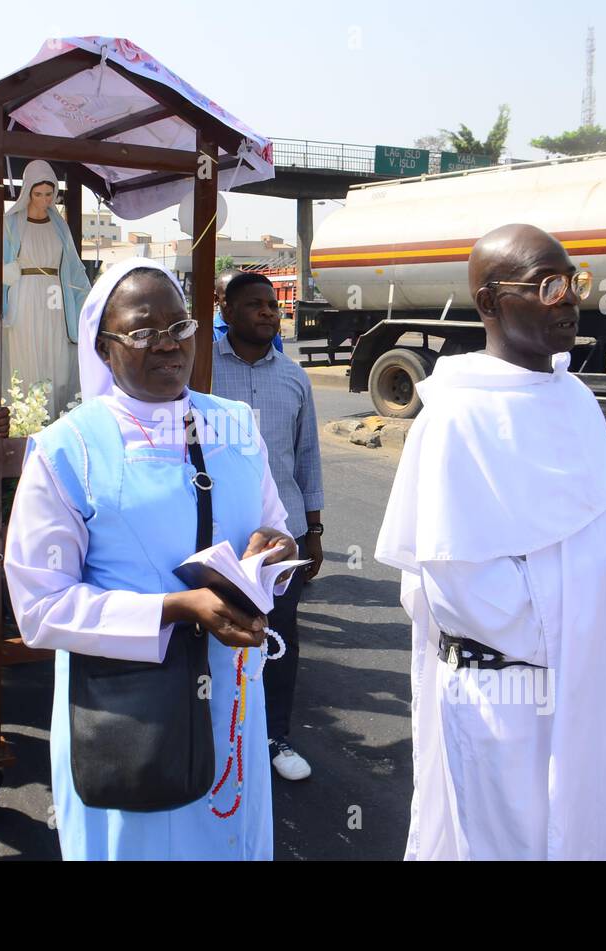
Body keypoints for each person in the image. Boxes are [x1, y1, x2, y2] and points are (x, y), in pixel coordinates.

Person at [374, 224, 606, 861]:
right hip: (506, 699)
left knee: (591, 835)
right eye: (547, 286)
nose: (570, 299)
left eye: (573, 282)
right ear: (490, 302)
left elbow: (596, 559)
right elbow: (463, 589)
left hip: (585, 683)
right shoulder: (455, 417)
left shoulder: (577, 398)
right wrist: (584, 658)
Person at [3, 258, 297, 861]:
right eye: (143, 332)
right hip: (131, 710)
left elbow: (274, 531)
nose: (168, 345)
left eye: (180, 327)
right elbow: (41, 607)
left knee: (228, 839)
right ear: (103, 348)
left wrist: (276, 552)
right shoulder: (68, 449)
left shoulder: (235, 425)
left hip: (232, 695)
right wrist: (174, 609)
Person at [212, 272, 322, 781]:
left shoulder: (295, 378)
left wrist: (314, 531)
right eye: (254, 304)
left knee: (279, 636)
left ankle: (274, 736)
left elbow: (307, 457)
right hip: (222, 535)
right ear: (226, 310)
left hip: (284, 538)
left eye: (272, 306)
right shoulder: (201, 371)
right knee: (218, 632)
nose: (267, 313)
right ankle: (218, 734)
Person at [1, 160, 91, 418]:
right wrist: (7, 272)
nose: (44, 199)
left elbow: (73, 266)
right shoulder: (10, 223)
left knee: (58, 355)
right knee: (26, 354)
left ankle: (56, 416)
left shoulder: (59, 225)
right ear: (28, 191)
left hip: (56, 295)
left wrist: (86, 299)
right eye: (38, 193)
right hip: (24, 293)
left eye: (49, 194)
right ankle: (27, 418)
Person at [213, 268, 283, 353]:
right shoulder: (207, 334)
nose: (267, 312)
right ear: (216, 299)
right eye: (229, 298)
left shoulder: (267, 333)